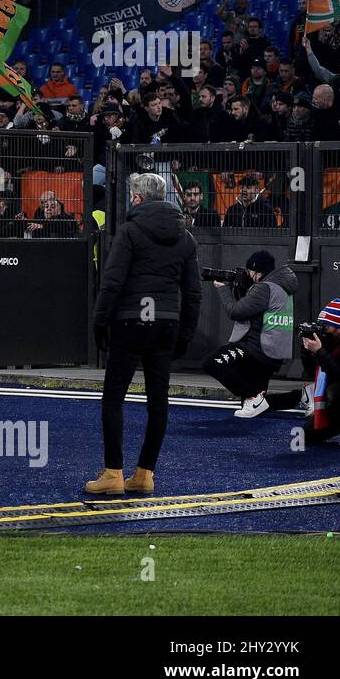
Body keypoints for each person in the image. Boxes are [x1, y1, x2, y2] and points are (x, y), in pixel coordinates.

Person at [89, 173, 201, 495]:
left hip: (130, 321)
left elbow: (112, 283)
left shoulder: (130, 231)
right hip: (165, 322)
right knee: (158, 401)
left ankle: (113, 473)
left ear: (137, 198)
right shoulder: (185, 237)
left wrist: (100, 323)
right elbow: (193, 294)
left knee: (113, 397)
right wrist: (185, 335)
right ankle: (145, 474)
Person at [203, 251, 297, 417]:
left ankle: (254, 396)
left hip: (258, 349)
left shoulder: (264, 288)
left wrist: (223, 289)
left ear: (257, 271)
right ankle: (301, 397)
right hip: (274, 352)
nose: (248, 274)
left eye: (249, 271)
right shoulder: (281, 287)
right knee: (257, 407)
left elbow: (235, 312)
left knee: (212, 362)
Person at [298, 299, 340, 441]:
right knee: (305, 435)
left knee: (336, 391)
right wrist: (307, 350)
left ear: (339, 327)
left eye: (326, 325)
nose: (322, 328)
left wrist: (320, 352)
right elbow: (313, 372)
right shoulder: (329, 339)